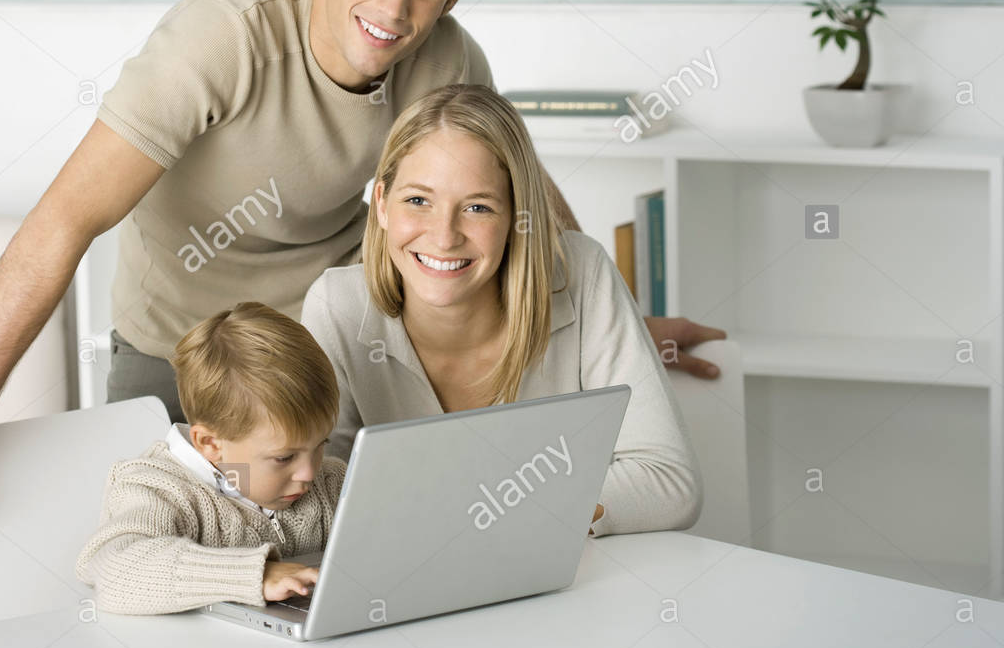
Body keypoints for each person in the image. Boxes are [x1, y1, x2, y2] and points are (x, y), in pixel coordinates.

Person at [0, 0, 721, 559]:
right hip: (186, 346)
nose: (394, 9)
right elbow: (61, 224)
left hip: (326, 341)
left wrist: (616, 323)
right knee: (164, 551)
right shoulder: (227, 36)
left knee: (339, 554)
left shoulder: (447, 58)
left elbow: (518, 190)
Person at [301, 84, 703, 538]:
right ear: (382, 205)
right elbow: (316, 494)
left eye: (478, 207)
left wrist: (487, 517)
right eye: (417, 200)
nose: (445, 236)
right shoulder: (337, 306)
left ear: (517, 217)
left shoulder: (583, 273)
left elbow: (670, 483)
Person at [75, 302, 344, 615]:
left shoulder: (330, 481)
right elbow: (116, 573)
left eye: (320, 444)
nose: (309, 472)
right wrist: (256, 575)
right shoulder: (155, 488)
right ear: (210, 444)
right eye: (284, 458)